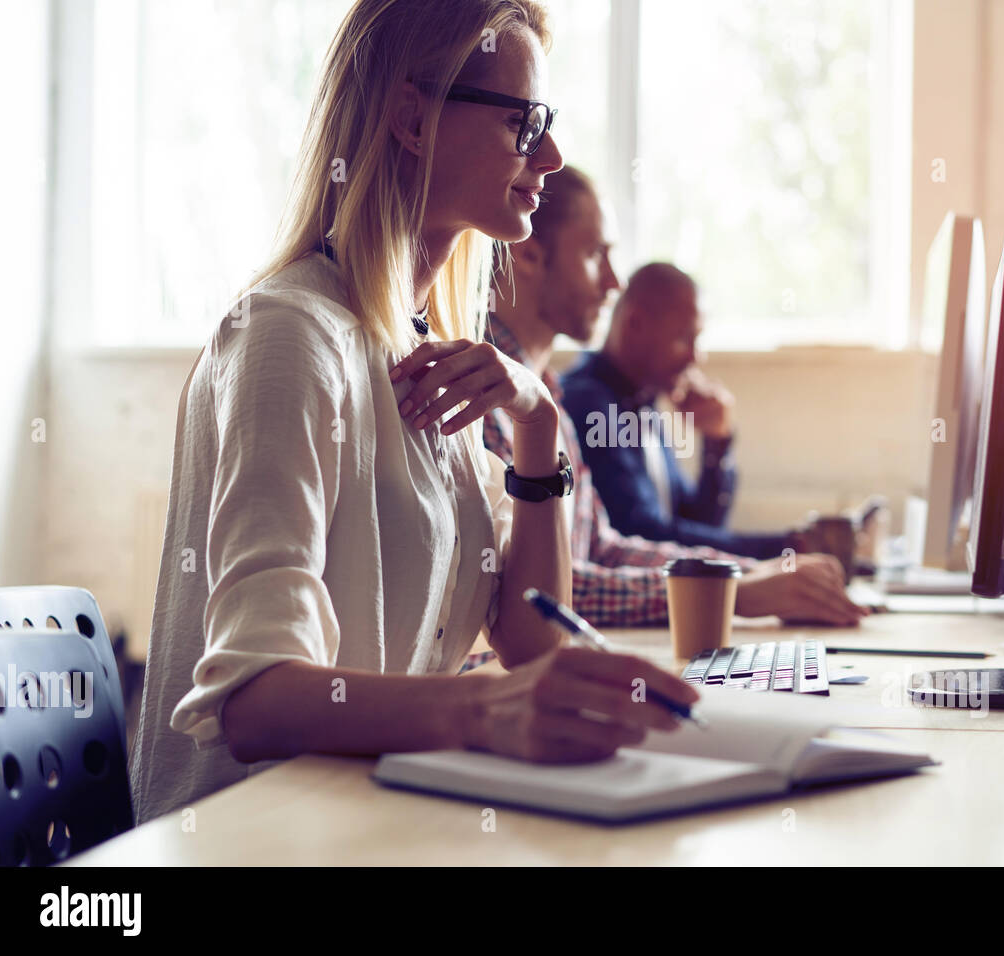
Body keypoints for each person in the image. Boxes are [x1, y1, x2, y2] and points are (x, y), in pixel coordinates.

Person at [130, 0, 694, 824]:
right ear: (411, 119)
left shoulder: (427, 353)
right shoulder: (289, 335)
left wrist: (537, 428)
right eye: (526, 123)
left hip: (371, 822)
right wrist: (481, 713)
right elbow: (255, 698)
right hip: (254, 838)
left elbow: (533, 642)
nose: (554, 155)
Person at [484, 165, 866, 627]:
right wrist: (734, 590)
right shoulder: (492, 394)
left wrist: (749, 573)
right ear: (529, 256)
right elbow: (531, 592)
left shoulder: (558, 397)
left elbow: (602, 546)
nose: (613, 282)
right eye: (593, 254)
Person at [560, 262, 799, 559]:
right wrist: (788, 548)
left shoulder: (644, 403)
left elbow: (699, 526)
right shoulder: (589, 404)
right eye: (684, 338)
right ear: (635, 323)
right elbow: (644, 535)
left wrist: (716, 444)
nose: (695, 357)